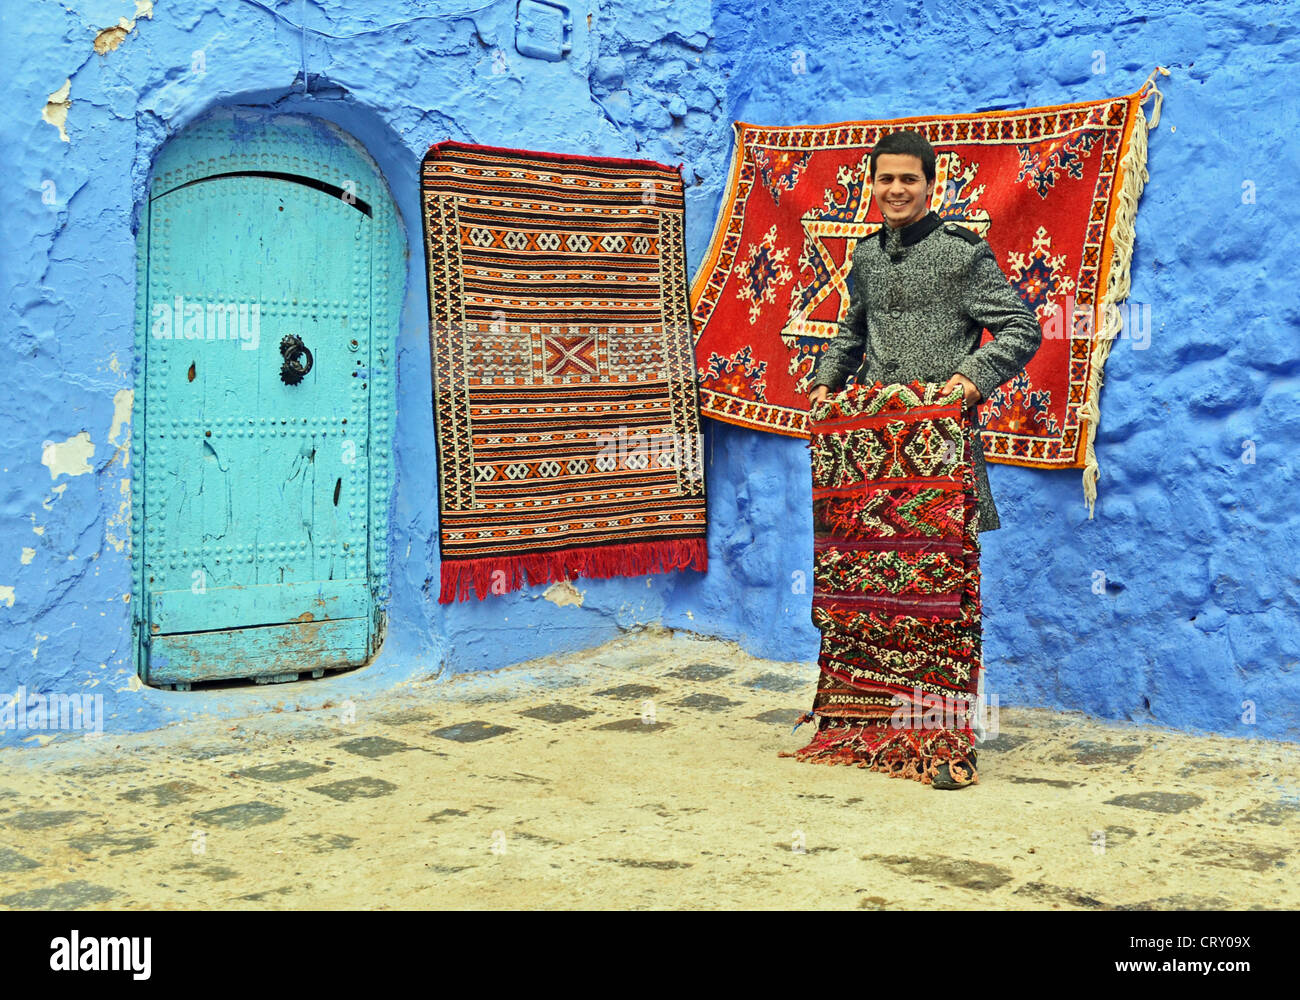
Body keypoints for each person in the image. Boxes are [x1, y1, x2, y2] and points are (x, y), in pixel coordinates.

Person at [800, 129, 1043, 788]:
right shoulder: (867, 258)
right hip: (873, 466)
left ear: (930, 185)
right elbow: (852, 330)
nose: (897, 190)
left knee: (942, 610)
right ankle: (870, 734)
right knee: (876, 603)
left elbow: (1023, 327)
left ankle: (947, 751)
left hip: (941, 465)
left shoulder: (962, 256)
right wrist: (828, 376)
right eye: (885, 180)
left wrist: (970, 379)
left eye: (909, 180)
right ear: (870, 185)